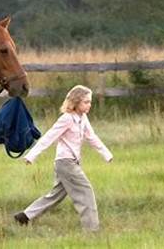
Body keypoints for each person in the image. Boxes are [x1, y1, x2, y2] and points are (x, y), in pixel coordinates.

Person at [14, 85, 113, 232]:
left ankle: (25, 216)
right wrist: (31, 155)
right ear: (75, 102)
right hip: (65, 163)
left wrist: (106, 154)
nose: (89, 105)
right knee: (85, 192)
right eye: (86, 102)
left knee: (55, 195)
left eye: (90, 102)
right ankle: (92, 230)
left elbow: (91, 137)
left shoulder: (83, 118)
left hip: (72, 162)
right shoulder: (67, 119)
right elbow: (49, 137)